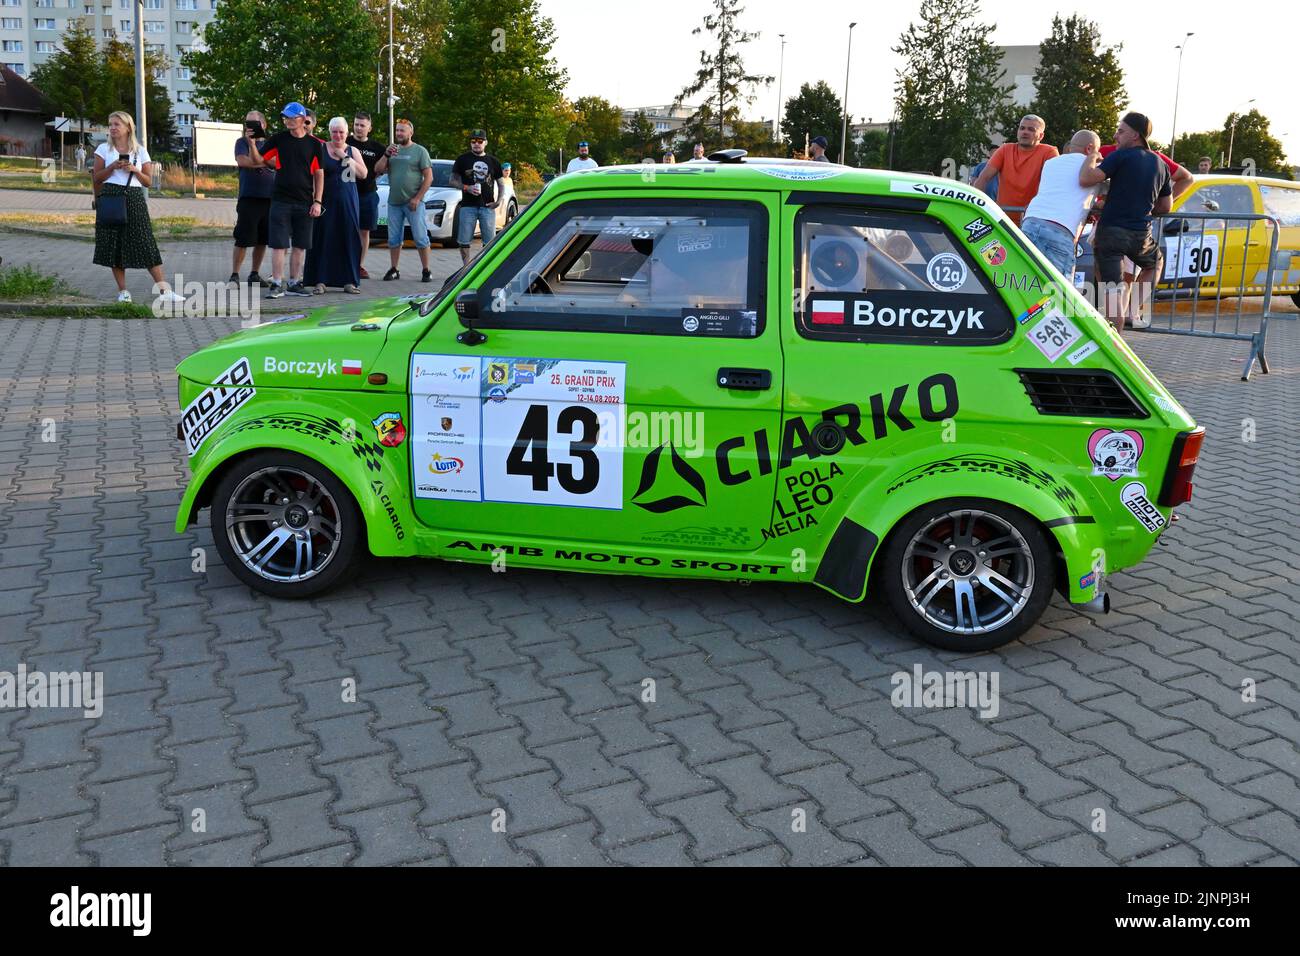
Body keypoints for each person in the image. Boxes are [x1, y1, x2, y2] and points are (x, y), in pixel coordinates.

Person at [1079, 112, 1172, 335]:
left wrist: (1091, 156)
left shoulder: (1121, 156)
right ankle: (1133, 308)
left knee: (1113, 291)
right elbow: (1165, 207)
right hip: (1140, 234)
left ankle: (1116, 344)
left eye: (1121, 131)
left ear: (1135, 135)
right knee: (1155, 263)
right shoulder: (1161, 164)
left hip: (1111, 233)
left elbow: (1086, 178)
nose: (1115, 135)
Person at [91, 111, 184, 307]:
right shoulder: (103, 149)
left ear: (128, 127)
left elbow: (149, 182)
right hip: (111, 198)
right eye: (111, 124)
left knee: (146, 242)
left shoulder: (140, 151)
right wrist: (113, 168)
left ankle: (164, 291)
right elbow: (97, 178)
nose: (113, 128)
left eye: (117, 124)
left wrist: (135, 170)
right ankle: (123, 292)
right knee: (114, 245)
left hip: (134, 198)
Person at [244, 101, 325, 298]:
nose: (287, 121)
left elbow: (319, 174)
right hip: (280, 200)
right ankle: (277, 284)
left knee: (300, 245)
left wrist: (317, 201)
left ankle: (295, 283)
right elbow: (258, 161)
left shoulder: (314, 144)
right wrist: (252, 144)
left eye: (291, 117)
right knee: (279, 244)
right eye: (285, 117)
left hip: (305, 201)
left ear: (302, 119)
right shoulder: (279, 139)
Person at [1020, 129, 1102, 279]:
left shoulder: (1050, 163)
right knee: (1059, 292)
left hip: (1030, 222)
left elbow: (1062, 193)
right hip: (1060, 231)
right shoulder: (1095, 168)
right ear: (1090, 148)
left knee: (1026, 283)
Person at [303, 117, 366, 295]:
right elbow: (312, 175)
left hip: (348, 202)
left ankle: (350, 281)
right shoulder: (321, 149)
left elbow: (363, 174)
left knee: (349, 239)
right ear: (329, 132)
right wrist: (315, 200)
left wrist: (344, 157)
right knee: (323, 239)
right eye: (334, 132)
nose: (338, 135)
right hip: (325, 202)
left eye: (341, 132)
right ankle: (320, 281)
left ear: (347, 133)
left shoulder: (352, 151)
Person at [972, 115, 1058, 224]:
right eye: (1022, 128)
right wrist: (977, 206)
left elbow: (1052, 186)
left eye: (1031, 129)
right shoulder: (1005, 149)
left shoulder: (1049, 152)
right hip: (1002, 219)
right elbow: (983, 178)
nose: (1025, 132)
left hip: (1032, 220)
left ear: (1041, 136)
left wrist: (1033, 207)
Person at [382, 118, 434, 282]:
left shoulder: (420, 151)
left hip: (413, 203)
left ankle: (426, 270)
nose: (398, 133)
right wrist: (386, 154)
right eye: (397, 130)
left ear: (410, 133)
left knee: (420, 237)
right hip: (394, 202)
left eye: (402, 130)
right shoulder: (393, 151)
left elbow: (429, 177)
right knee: (393, 238)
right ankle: (394, 269)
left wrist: (417, 198)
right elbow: (378, 169)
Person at [230, 109, 274, 287]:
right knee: (243, 238)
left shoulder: (272, 143)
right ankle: (235, 274)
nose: (250, 127)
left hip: (270, 198)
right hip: (249, 197)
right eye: (248, 123)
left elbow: (274, 163)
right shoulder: (241, 142)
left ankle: (254, 273)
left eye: (254, 123)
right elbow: (243, 162)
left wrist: (259, 159)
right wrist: (256, 152)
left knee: (262, 239)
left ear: (263, 125)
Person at [451, 129, 505, 267]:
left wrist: (498, 201)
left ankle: (485, 268)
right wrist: (466, 188)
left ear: (485, 142)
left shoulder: (493, 161)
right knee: (464, 241)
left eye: (480, 141)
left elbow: (501, 184)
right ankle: (466, 268)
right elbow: (452, 181)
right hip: (468, 206)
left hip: (487, 207)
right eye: (473, 141)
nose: (476, 144)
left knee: (490, 242)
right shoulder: (462, 159)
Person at [347, 111, 387, 280]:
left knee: (364, 231)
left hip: (368, 194)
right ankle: (345, 262)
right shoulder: (345, 142)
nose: (359, 128)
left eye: (362, 125)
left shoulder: (377, 148)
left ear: (370, 128)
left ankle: (359, 265)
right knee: (347, 230)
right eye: (356, 124)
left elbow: (382, 170)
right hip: (347, 194)